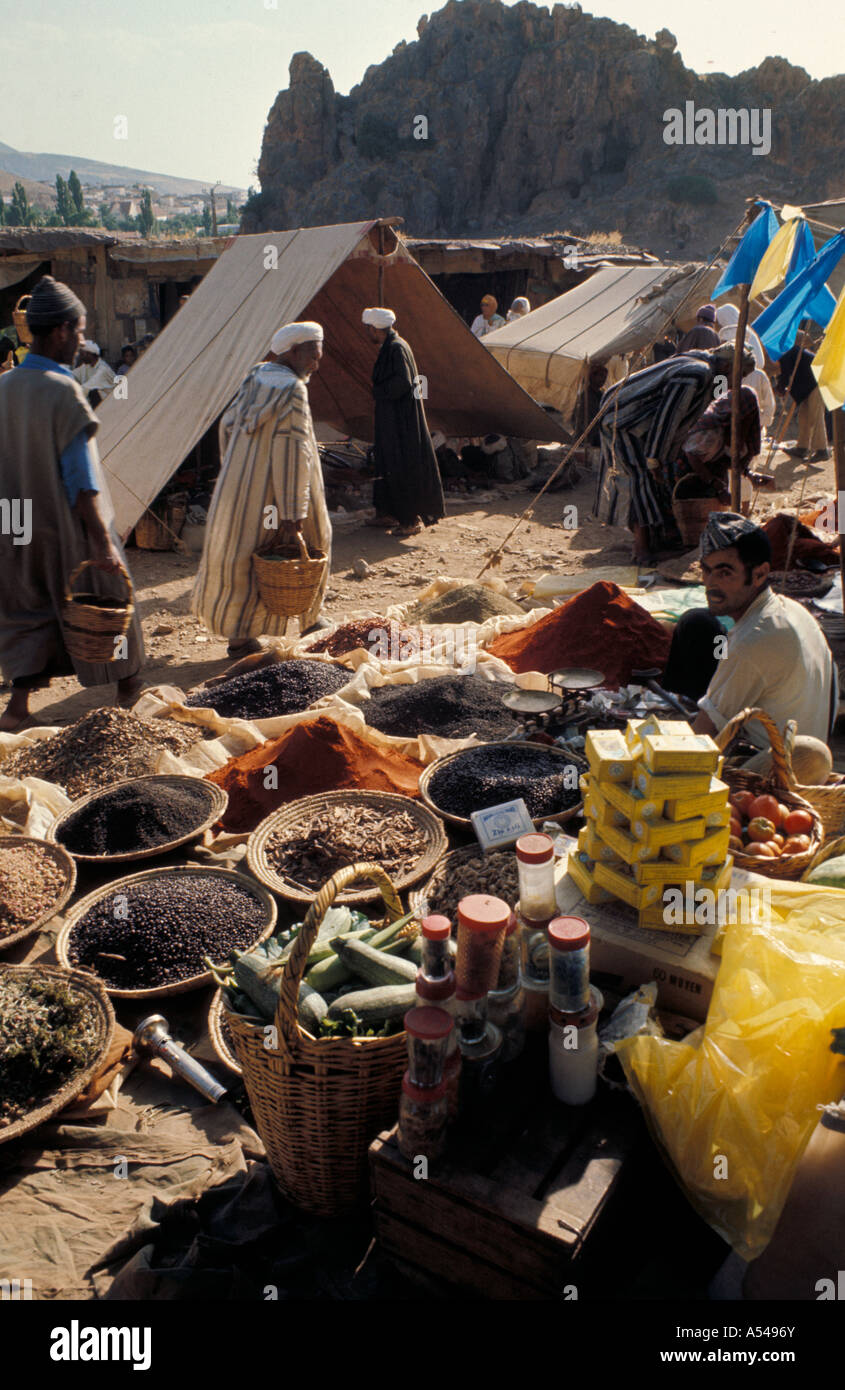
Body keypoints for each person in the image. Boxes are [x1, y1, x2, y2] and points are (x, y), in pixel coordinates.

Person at [0, 276, 144, 731]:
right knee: (108, 595)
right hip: (63, 520)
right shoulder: (63, 391)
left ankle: (17, 707)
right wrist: (101, 541)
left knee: (25, 604)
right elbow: (80, 479)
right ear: (61, 331)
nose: (81, 342)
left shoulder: (4, 387)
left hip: (13, 520)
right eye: (79, 332)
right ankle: (127, 688)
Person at [191, 321, 331, 658]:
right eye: (313, 355)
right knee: (315, 541)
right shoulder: (294, 391)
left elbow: (227, 425)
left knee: (241, 554)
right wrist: (294, 511)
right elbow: (293, 452)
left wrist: (234, 470)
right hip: (283, 491)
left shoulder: (255, 376)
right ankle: (310, 620)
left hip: (239, 487)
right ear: (294, 352)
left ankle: (239, 636)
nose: (317, 363)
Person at [663, 514, 834, 772]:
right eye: (706, 570)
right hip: (803, 753)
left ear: (759, 574)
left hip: (776, 770)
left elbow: (702, 738)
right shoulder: (792, 610)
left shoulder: (755, 638)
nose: (710, 584)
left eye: (724, 572)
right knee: (697, 620)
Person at [595, 342, 755, 565]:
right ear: (729, 368)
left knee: (649, 481)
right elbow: (668, 418)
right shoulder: (696, 373)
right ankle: (641, 550)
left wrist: (663, 457)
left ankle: (651, 542)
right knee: (639, 480)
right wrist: (654, 459)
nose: (737, 382)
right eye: (740, 375)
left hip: (637, 423)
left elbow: (680, 424)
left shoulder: (701, 367)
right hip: (622, 420)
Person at [362, 306, 445, 538]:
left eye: (368, 329)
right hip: (391, 419)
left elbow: (402, 383)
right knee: (387, 464)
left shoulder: (397, 348)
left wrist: (378, 391)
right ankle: (387, 513)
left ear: (374, 329)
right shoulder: (392, 346)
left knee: (400, 467)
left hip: (400, 422)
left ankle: (409, 520)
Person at [776, 333, 830, 463]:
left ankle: (822, 450)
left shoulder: (787, 353)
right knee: (803, 416)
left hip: (816, 382)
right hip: (807, 385)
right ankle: (802, 447)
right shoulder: (790, 352)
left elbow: (784, 376)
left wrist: (780, 388)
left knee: (816, 416)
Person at [72, 339, 118, 404]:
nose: (81, 357)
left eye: (82, 354)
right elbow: (72, 374)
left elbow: (87, 387)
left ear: (89, 354)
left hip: (111, 403)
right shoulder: (86, 366)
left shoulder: (103, 370)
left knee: (93, 392)